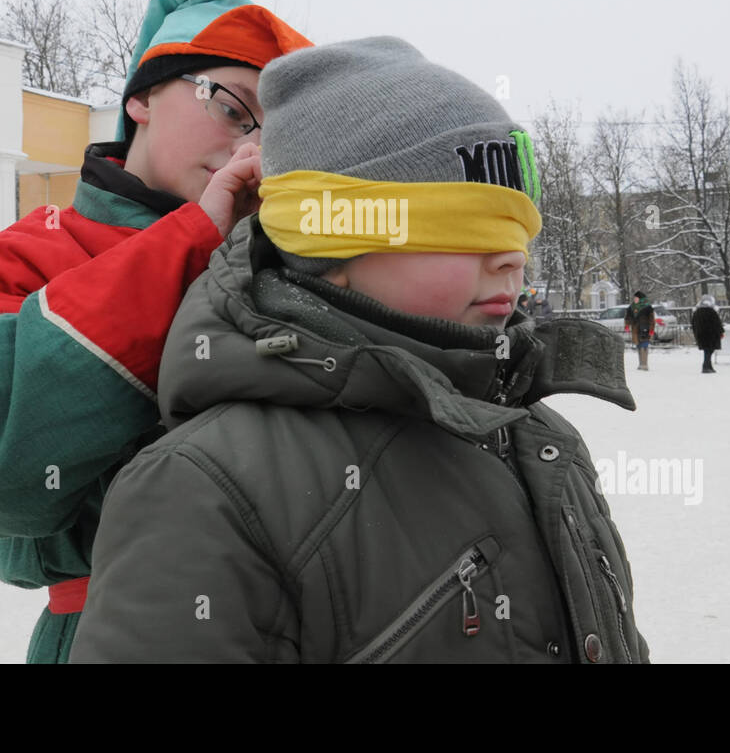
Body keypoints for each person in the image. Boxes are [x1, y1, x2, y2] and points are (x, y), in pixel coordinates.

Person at [72, 36, 648, 663]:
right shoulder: (205, 490)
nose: (512, 255)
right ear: (331, 243)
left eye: (519, 226)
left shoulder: (538, 437)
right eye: (463, 227)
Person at [0, 0, 310, 663]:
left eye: (276, 138)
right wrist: (189, 243)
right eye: (234, 109)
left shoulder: (290, 265)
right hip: (113, 631)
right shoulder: (27, 254)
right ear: (142, 97)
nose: (249, 152)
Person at [691, 294, 723, 373]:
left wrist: (696, 332)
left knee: (707, 350)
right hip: (711, 334)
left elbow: (693, 323)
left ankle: (708, 365)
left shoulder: (697, 312)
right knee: (709, 350)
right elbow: (717, 323)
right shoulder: (711, 312)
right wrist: (721, 332)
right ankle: (706, 366)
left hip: (701, 334)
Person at [627, 290, 656, 370]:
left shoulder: (648, 307)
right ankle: (640, 364)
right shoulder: (632, 307)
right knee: (639, 346)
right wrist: (627, 324)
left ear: (641, 299)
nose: (635, 299)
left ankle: (644, 364)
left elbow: (652, 319)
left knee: (644, 346)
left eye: (636, 298)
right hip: (635, 329)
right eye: (634, 298)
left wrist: (651, 329)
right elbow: (628, 317)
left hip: (645, 328)